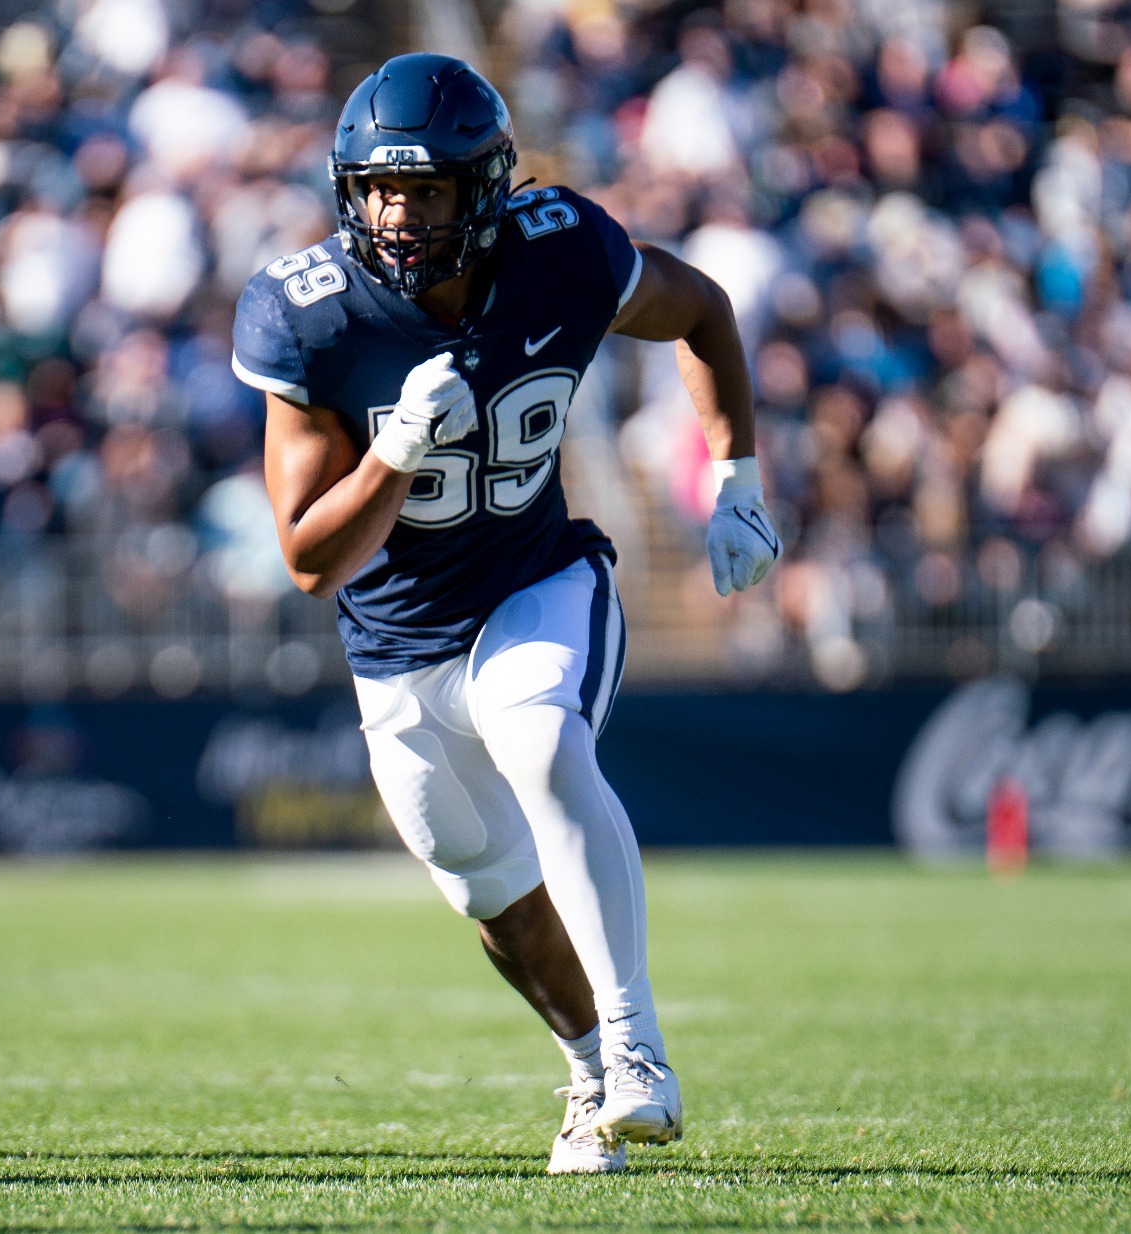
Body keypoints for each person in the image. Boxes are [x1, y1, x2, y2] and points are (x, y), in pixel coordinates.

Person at [231, 53, 779, 1175]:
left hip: (537, 580)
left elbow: (703, 311)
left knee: (536, 735)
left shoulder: (561, 251)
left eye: (425, 187)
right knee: (490, 891)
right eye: (380, 187)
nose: (398, 211)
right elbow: (306, 560)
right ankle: (588, 1078)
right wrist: (390, 451)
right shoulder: (312, 316)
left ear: (481, 188)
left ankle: (637, 1054)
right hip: (392, 641)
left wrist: (739, 480)